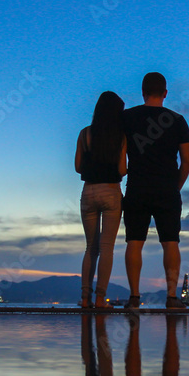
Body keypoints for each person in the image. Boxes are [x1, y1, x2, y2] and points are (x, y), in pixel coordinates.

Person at [121, 72, 189, 309]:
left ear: (142, 92)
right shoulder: (178, 120)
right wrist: (175, 186)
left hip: (137, 187)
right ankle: (172, 297)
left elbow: (120, 153)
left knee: (134, 241)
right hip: (167, 190)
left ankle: (134, 297)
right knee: (171, 241)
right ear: (165, 93)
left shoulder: (127, 118)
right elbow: (187, 161)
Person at [75, 91, 127, 308]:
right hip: (111, 192)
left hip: (88, 192)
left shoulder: (85, 133)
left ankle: (85, 299)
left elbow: (78, 167)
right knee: (106, 247)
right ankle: (100, 299)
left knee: (91, 247)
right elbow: (122, 170)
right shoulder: (121, 136)